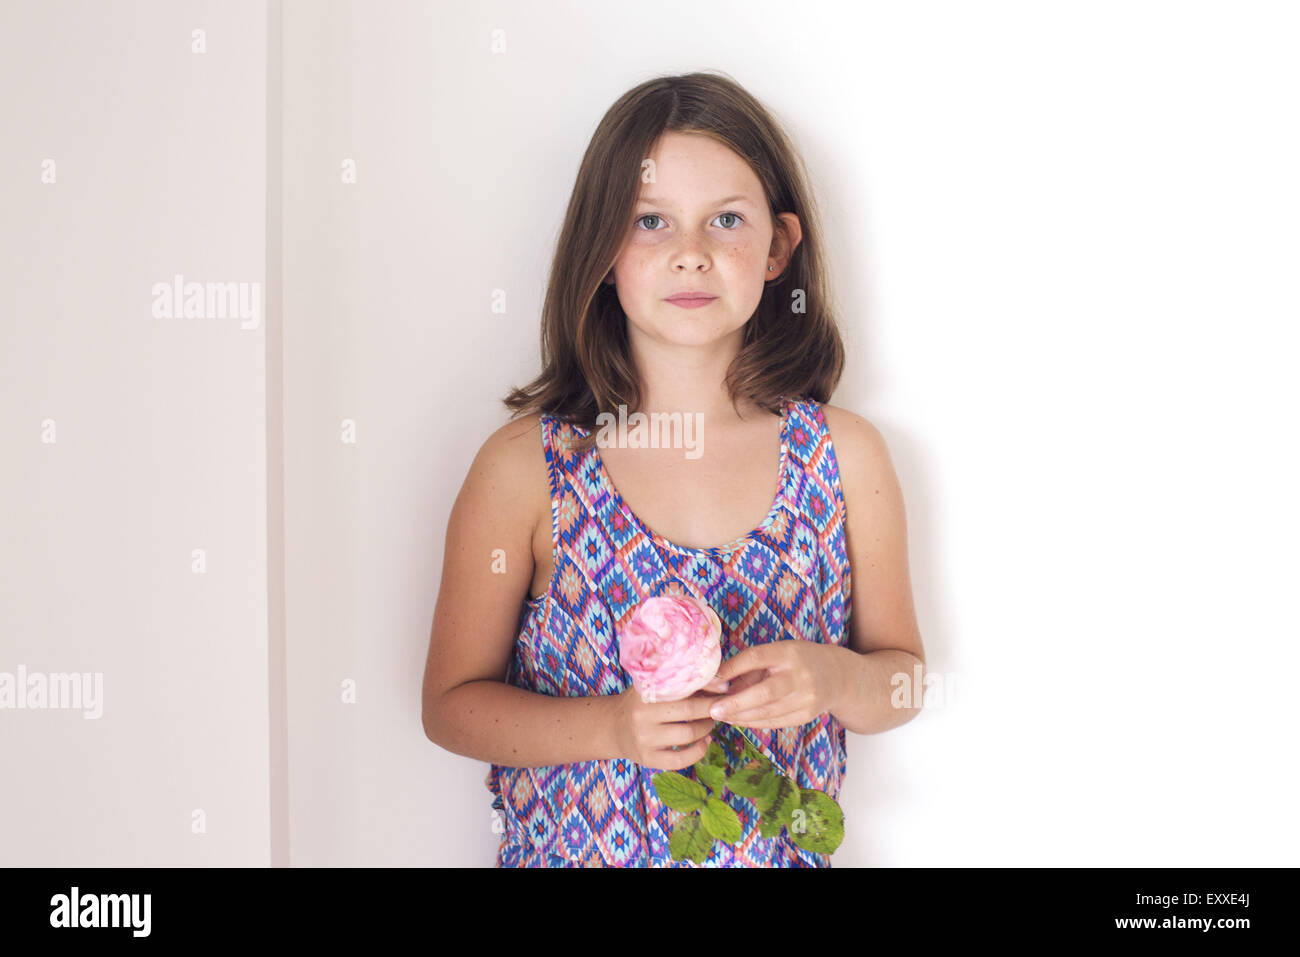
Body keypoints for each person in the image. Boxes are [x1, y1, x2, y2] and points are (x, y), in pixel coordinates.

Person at [422, 70, 926, 867]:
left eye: (726, 220)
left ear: (777, 248)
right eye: (651, 222)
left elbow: (902, 682)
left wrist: (831, 679)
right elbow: (451, 707)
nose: (691, 254)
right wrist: (612, 726)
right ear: (602, 248)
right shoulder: (528, 469)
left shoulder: (844, 458)